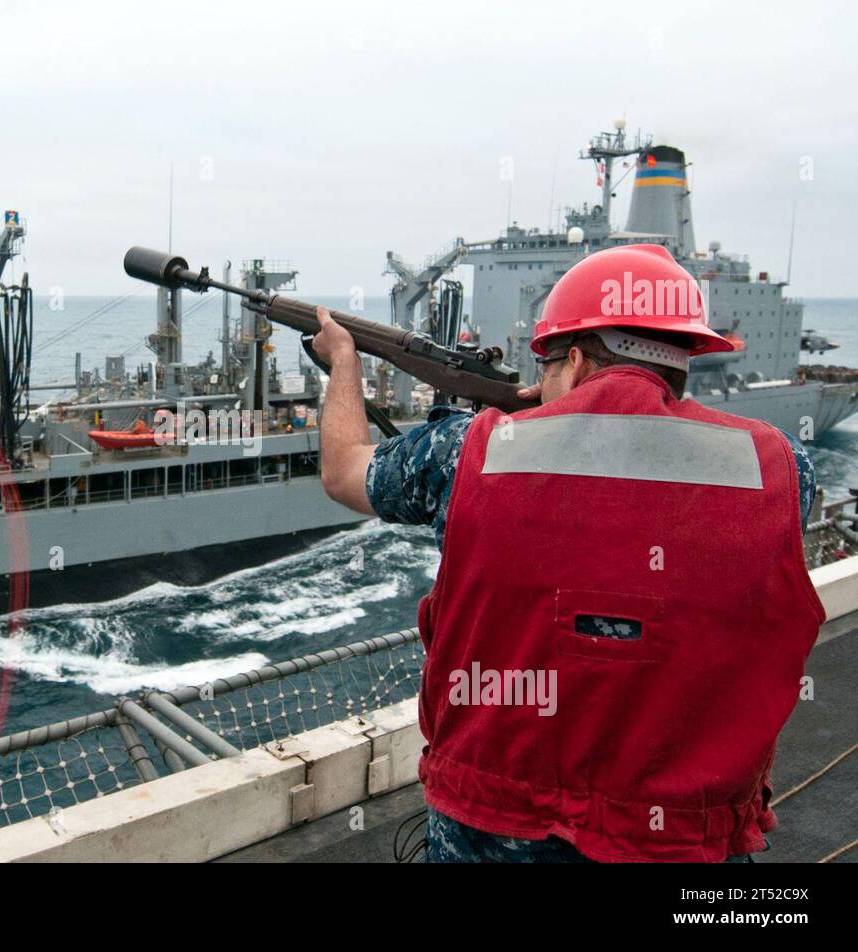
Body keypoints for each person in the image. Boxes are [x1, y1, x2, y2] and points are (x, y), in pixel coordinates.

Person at [311, 244, 822, 863]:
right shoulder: (784, 469)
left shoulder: (467, 452)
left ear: (574, 359)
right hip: (689, 842)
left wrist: (343, 362)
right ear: (686, 359)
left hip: (492, 829)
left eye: (547, 365)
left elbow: (345, 472)